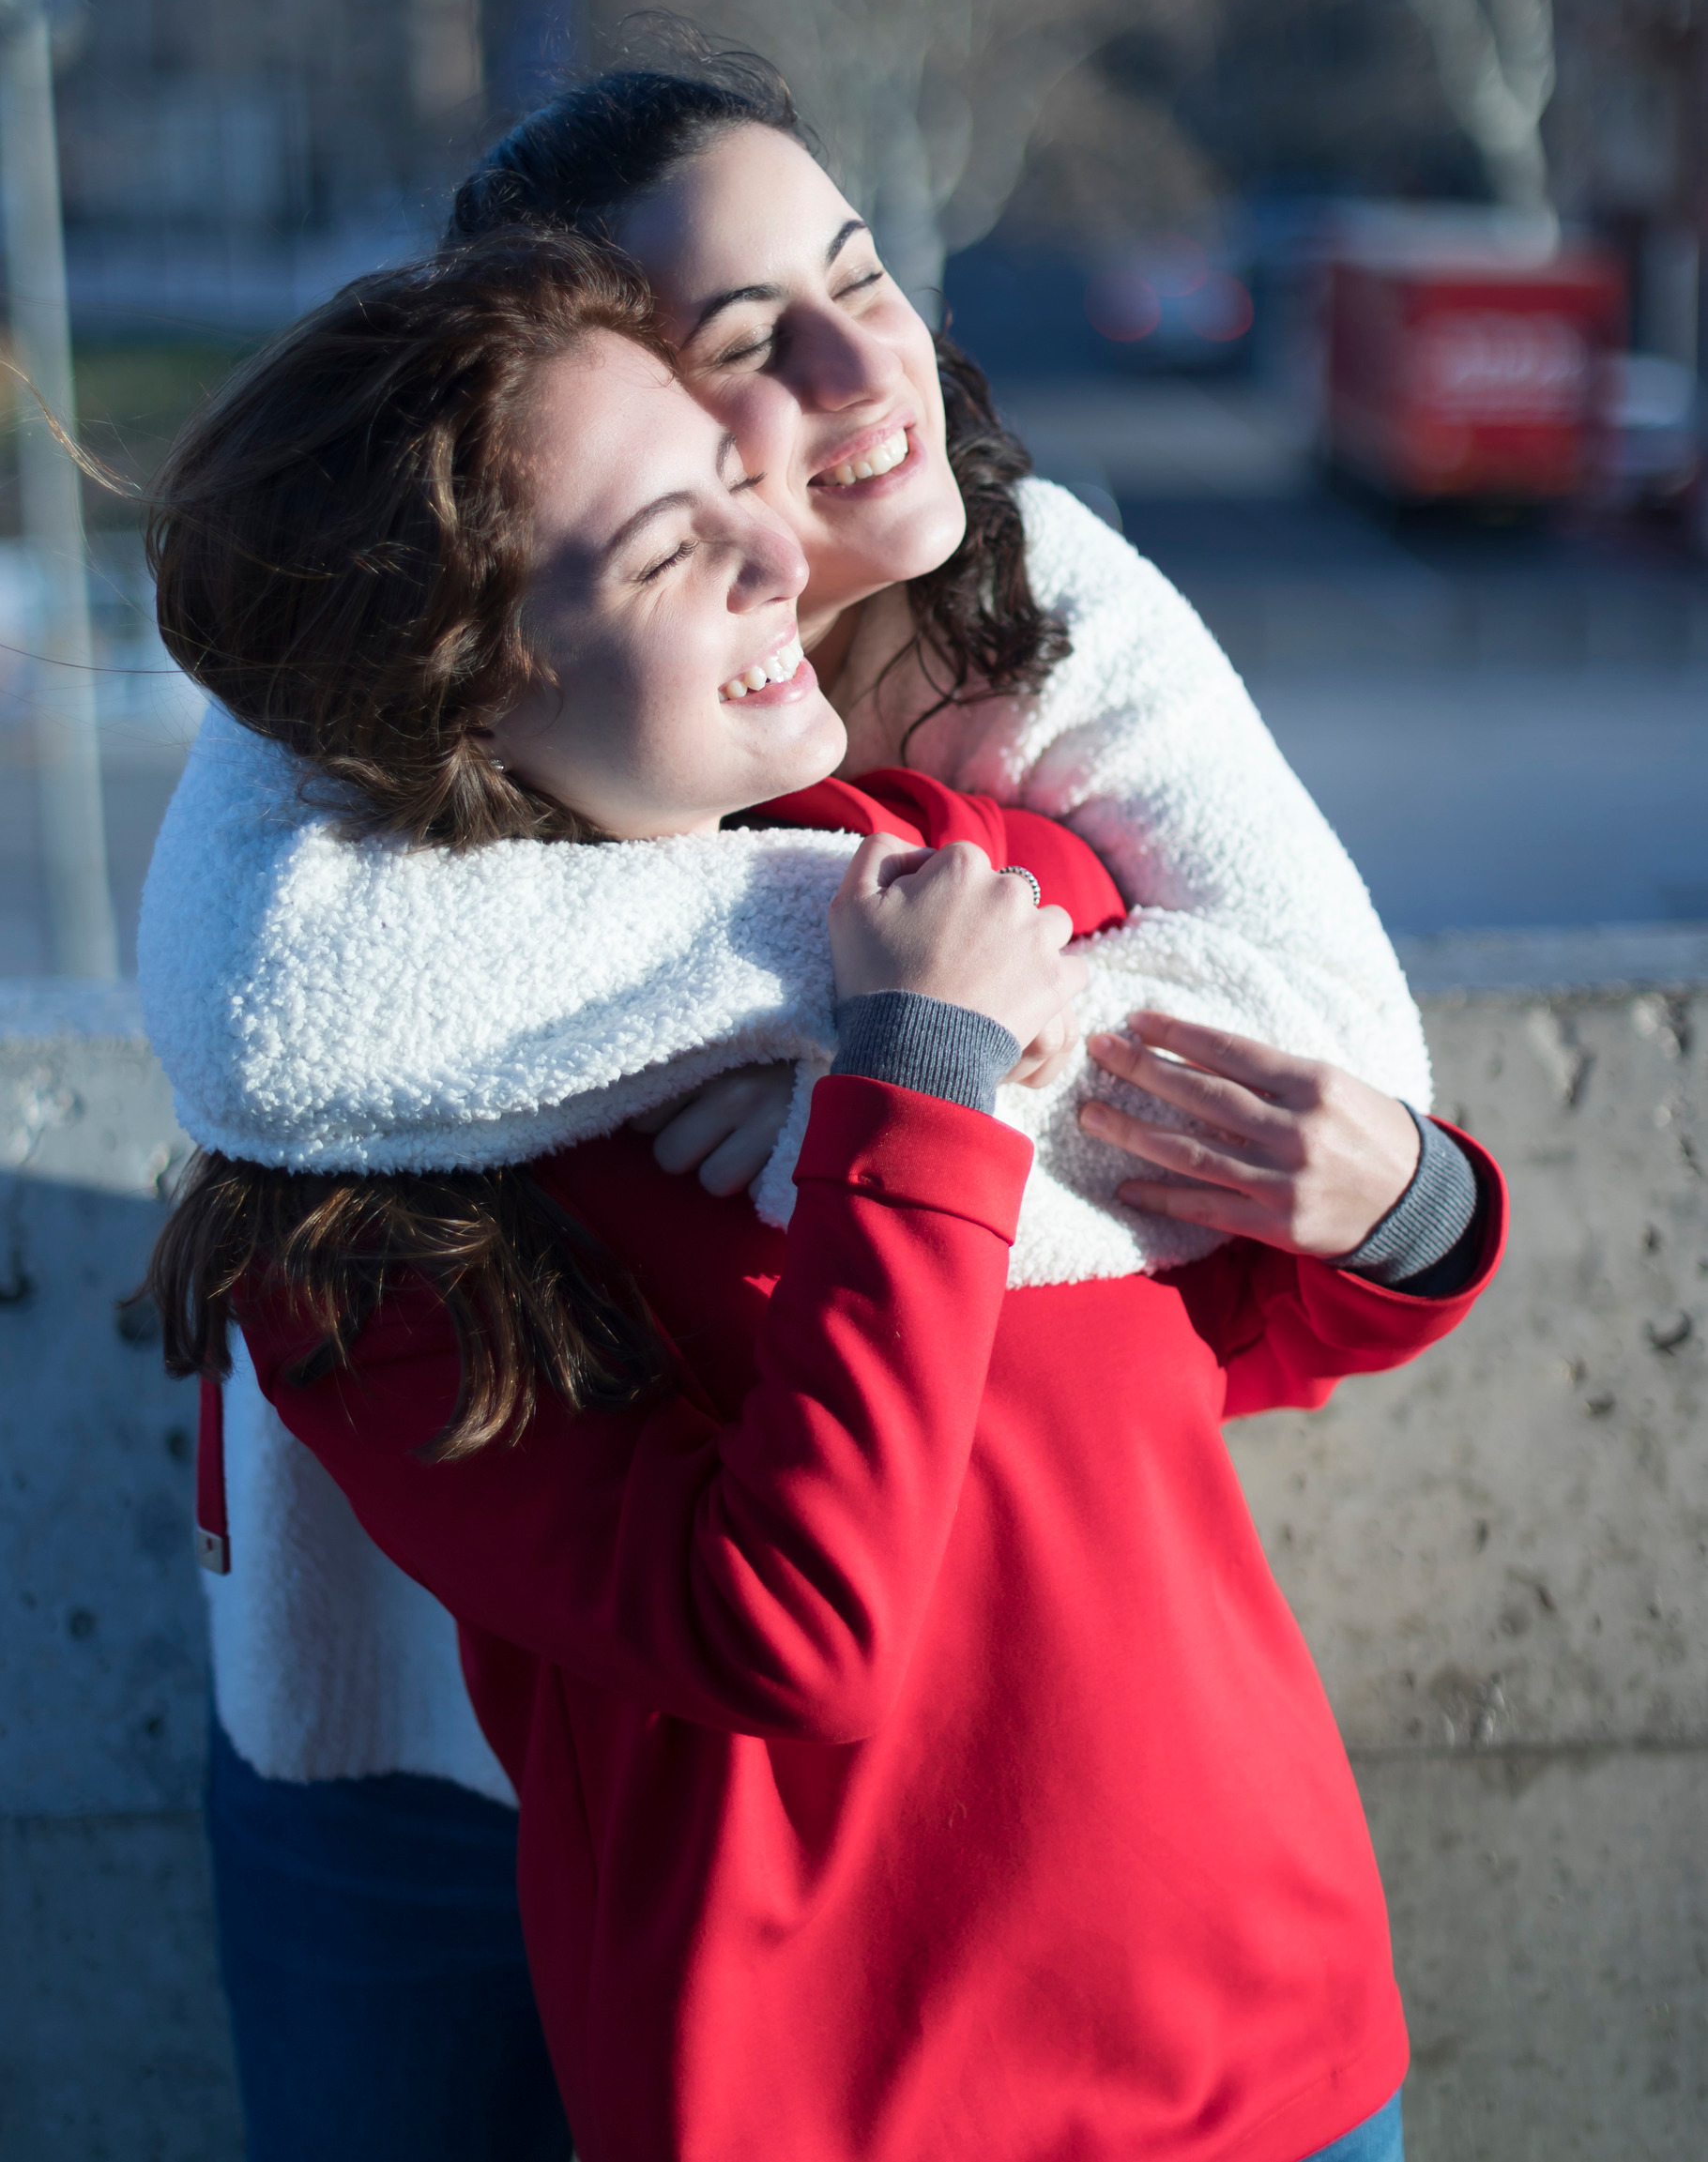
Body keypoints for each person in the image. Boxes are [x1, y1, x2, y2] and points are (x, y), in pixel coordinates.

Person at [139, 233, 1505, 2162]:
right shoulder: (370, 1247)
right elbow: (787, 1632)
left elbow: (1208, 1352)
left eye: (726, 490)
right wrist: (916, 1094)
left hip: (1275, 2058)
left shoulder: (936, 870)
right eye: (666, 552)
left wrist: (1417, 1218)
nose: (776, 555)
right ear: (458, 700)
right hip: (832, 2111)